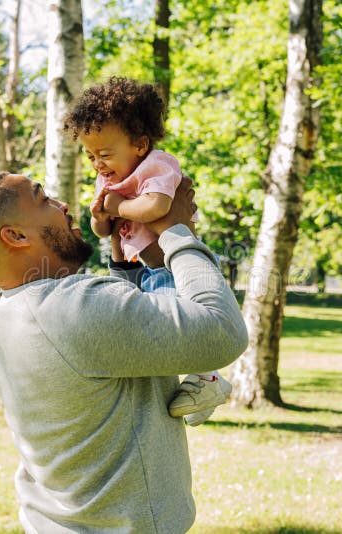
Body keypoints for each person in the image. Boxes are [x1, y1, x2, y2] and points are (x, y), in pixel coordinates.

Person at [0, 172, 247, 533]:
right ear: (16, 236)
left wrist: (125, 262)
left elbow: (110, 344)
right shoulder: (72, 309)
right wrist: (178, 234)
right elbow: (222, 331)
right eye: (43, 200)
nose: (62, 205)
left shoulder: (5, 310)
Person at [64, 76, 231, 425]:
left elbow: (157, 206)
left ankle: (209, 380)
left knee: (181, 327)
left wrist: (116, 206)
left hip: (172, 267)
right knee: (155, 331)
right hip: (144, 269)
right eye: (91, 156)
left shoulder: (157, 165)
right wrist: (101, 216)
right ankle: (200, 380)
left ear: (140, 145)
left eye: (104, 154)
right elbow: (103, 230)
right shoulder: (108, 178)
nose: (98, 164)